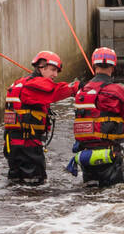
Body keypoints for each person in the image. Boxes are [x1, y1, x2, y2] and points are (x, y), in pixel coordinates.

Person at [66, 47, 124, 188]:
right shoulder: (115, 90)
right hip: (109, 154)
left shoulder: (82, 91)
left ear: (94, 65)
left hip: (86, 156)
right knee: (116, 194)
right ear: (113, 67)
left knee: (91, 194)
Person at [4, 50, 78, 186]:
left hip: (13, 147)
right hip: (28, 148)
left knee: (16, 186)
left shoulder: (19, 83)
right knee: (35, 186)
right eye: (53, 70)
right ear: (41, 67)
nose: (55, 75)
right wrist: (77, 87)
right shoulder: (34, 85)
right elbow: (56, 91)